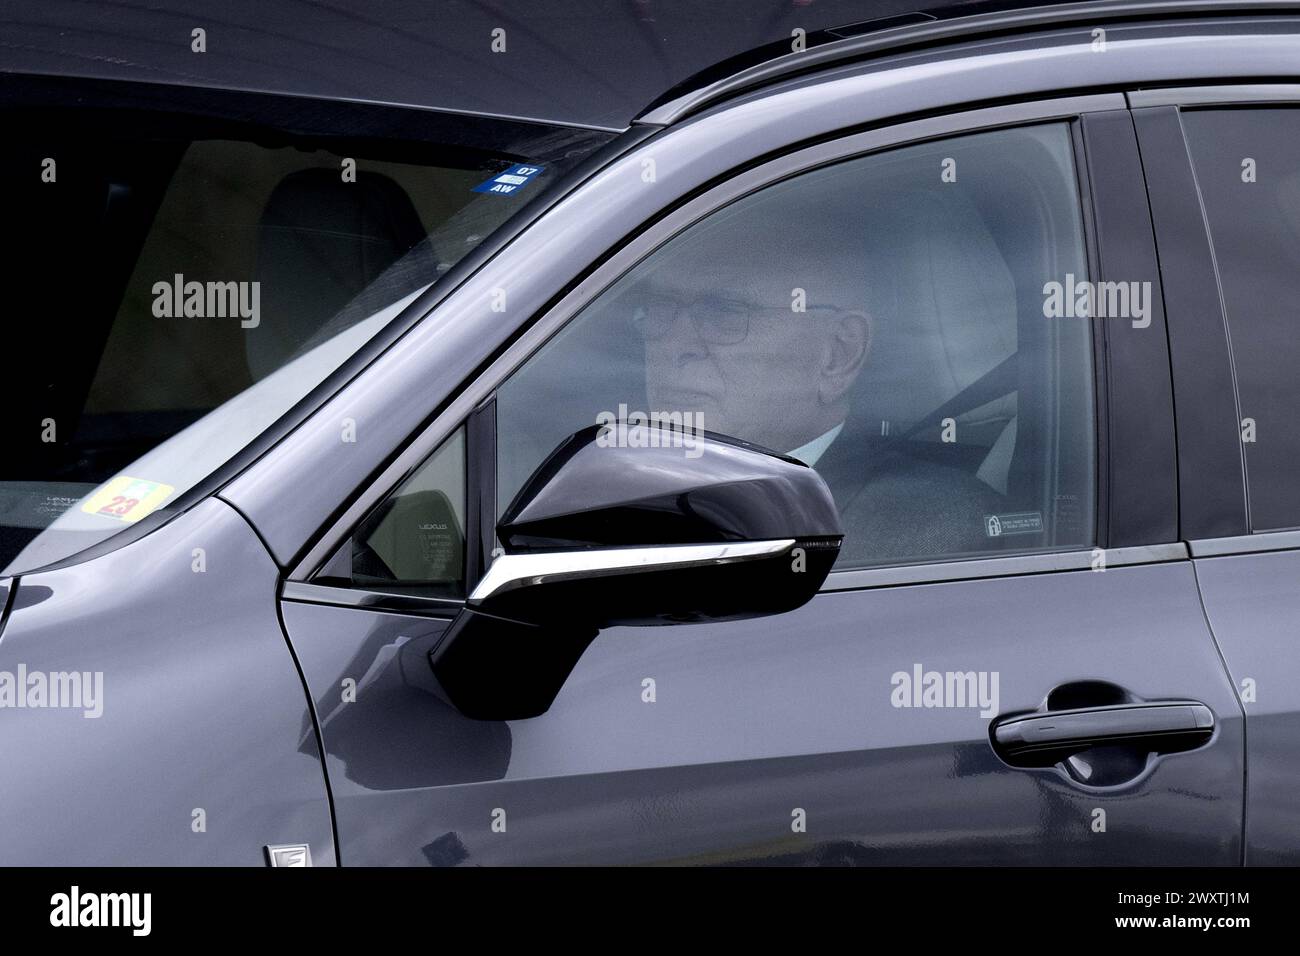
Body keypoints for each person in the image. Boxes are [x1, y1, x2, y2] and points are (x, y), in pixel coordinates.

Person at [627, 204, 1005, 565]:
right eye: (661, 308)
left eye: (724, 312)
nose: (674, 345)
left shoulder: (936, 529)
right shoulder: (617, 496)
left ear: (838, 355)